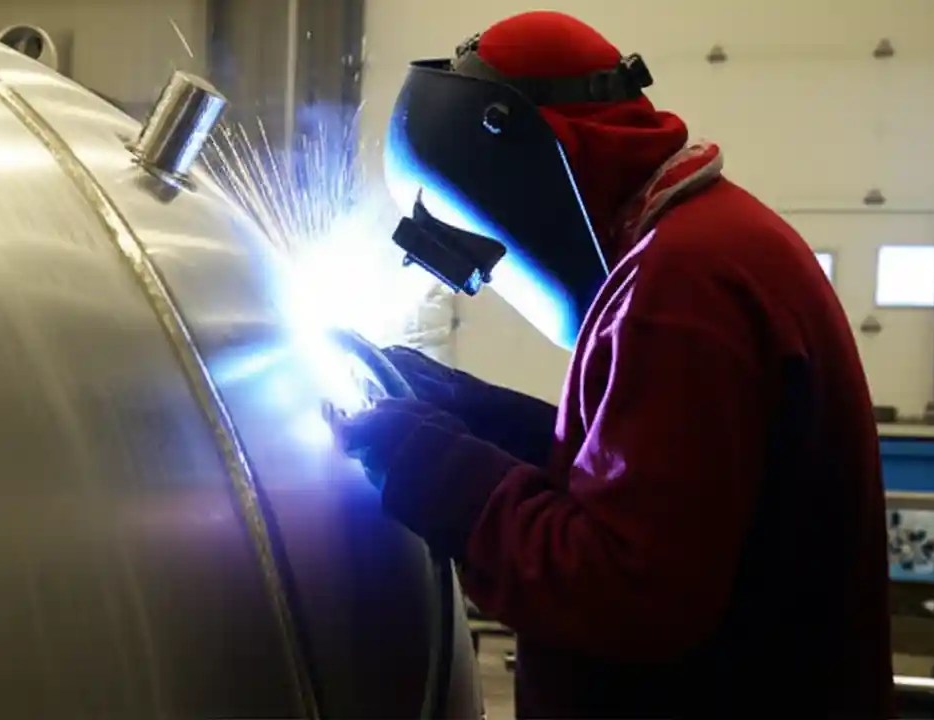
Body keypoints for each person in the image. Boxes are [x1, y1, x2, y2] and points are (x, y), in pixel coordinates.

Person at [337, 10, 893, 717]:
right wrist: (470, 412)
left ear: (518, 164)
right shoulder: (713, 242)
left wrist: (426, 464)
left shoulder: (682, 286)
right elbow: (658, 490)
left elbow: (626, 590)